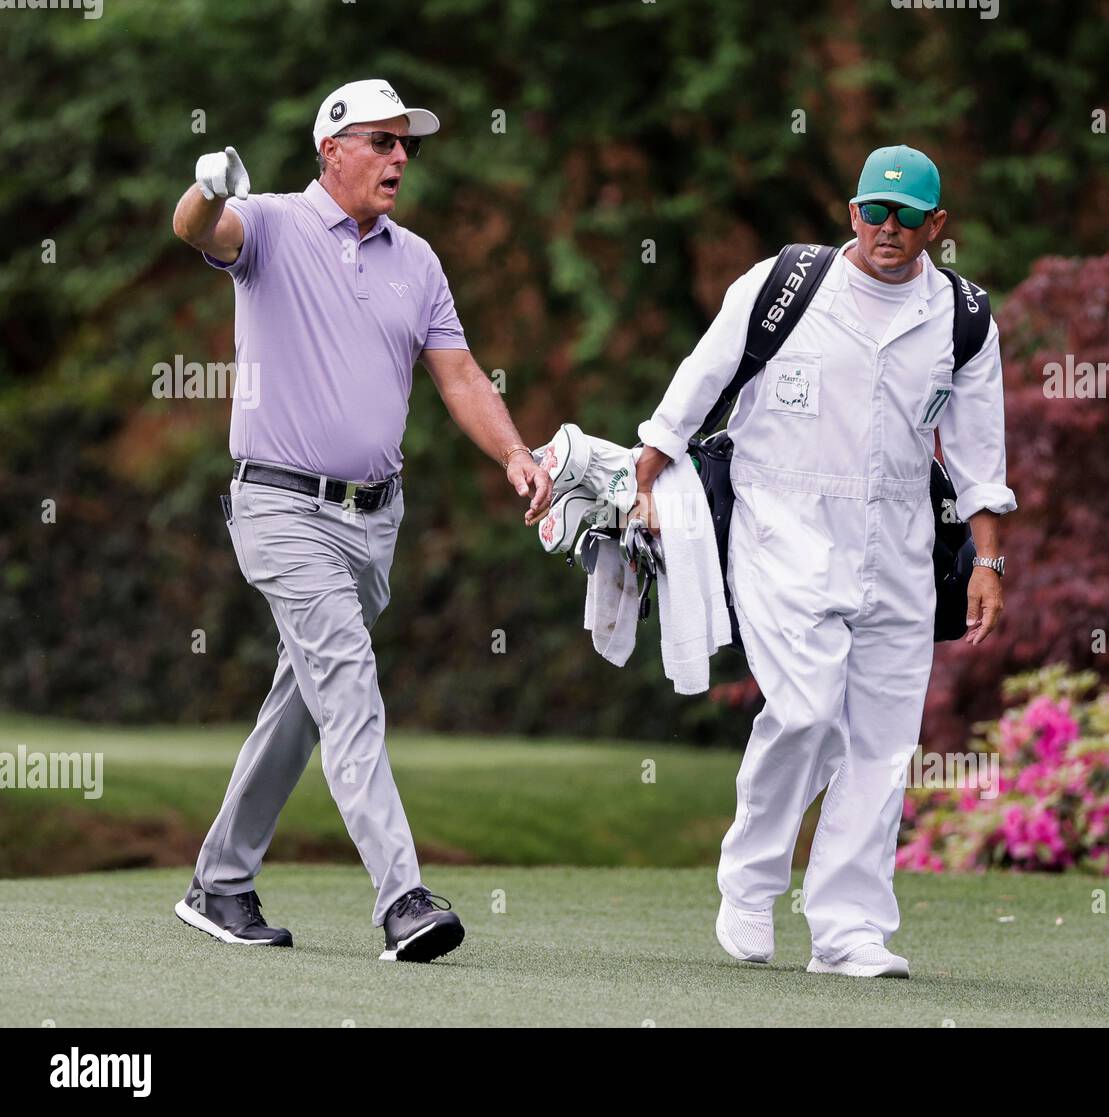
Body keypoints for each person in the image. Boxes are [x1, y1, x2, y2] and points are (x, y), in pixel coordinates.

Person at [169, 79, 551, 963]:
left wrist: (513, 452)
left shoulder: (416, 260)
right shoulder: (266, 222)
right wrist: (209, 184)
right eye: (382, 142)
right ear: (331, 149)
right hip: (279, 505)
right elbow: (195, 229)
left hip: (374, 523)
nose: (400, 158)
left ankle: (219, 883)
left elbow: (458, 375)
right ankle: (403, 896)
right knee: (348, 685)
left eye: (405, 144)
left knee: (302, 702)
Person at [633, 145, 1016, 978]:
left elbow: (982, 456)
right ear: (851, 213)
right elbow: (701, 378)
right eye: (875, 210)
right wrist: (650, 469)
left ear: (936, 226)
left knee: (881, 748)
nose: (889, 228)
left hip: (904, 547)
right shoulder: (785, 286)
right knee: (806, 710)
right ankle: (752, 875)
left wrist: (989, 560)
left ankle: (849, 932)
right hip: (782, 525)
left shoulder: (963, 318)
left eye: (908, 216)